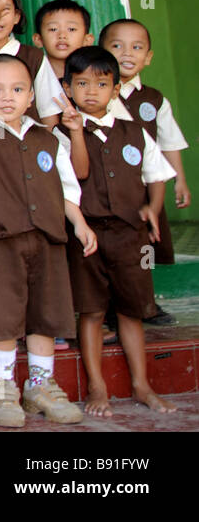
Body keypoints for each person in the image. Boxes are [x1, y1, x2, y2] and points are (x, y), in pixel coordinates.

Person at [0, 55, 95, 426]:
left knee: (46, 311)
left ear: (31, 96)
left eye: (17, 89)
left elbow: (65, 189)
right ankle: (3, 386)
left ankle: (40, 386)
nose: (8, 97)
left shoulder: (50, 138)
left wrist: (79, 224)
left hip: (47, 238)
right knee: (3, 311)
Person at [59, 46, 177, 415]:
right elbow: (76, 175)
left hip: (130, 236)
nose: (91, 91)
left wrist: (152, 209)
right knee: (92, 312)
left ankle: (142, 385)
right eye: (81, 83)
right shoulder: (61, 134)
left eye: (101, 83)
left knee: (132, 311)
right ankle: (97, 388)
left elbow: (156, 175)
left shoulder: (135, 132)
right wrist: (77, 132)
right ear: (68, 88)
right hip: (87, 237)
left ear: (116, 89)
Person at [101, 18, 190, 325]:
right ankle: (113, 308)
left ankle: (146, 304)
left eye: (137, 47)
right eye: (117, 46)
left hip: (147, 190)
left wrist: (179, 180)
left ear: (148, 57)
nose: (127, 53)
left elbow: (169, 142)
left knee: (145, 250)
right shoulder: (98, 93)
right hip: (109, 189)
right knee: (113, 251)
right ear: (101, 50)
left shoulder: (154, 99)